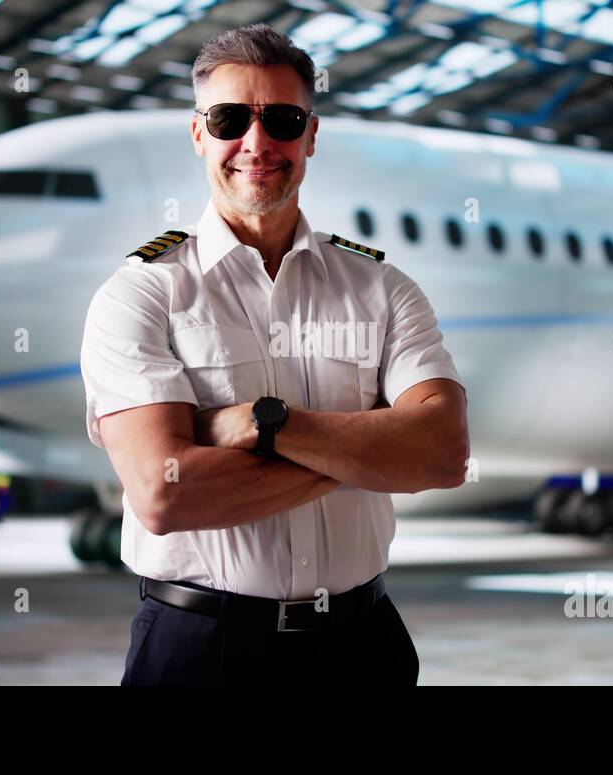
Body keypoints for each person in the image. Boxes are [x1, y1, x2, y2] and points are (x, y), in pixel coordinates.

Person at [80, 23, 469, 686]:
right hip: (203, 650)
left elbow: (443, 452)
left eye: (283, 120)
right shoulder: (143, 294)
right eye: (230, 119)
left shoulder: (380, 287)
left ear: (311, 135)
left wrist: (269, 424)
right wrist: (371, 447)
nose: (256, 143)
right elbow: (162, 493)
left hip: (362, 647)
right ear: (199, 133)